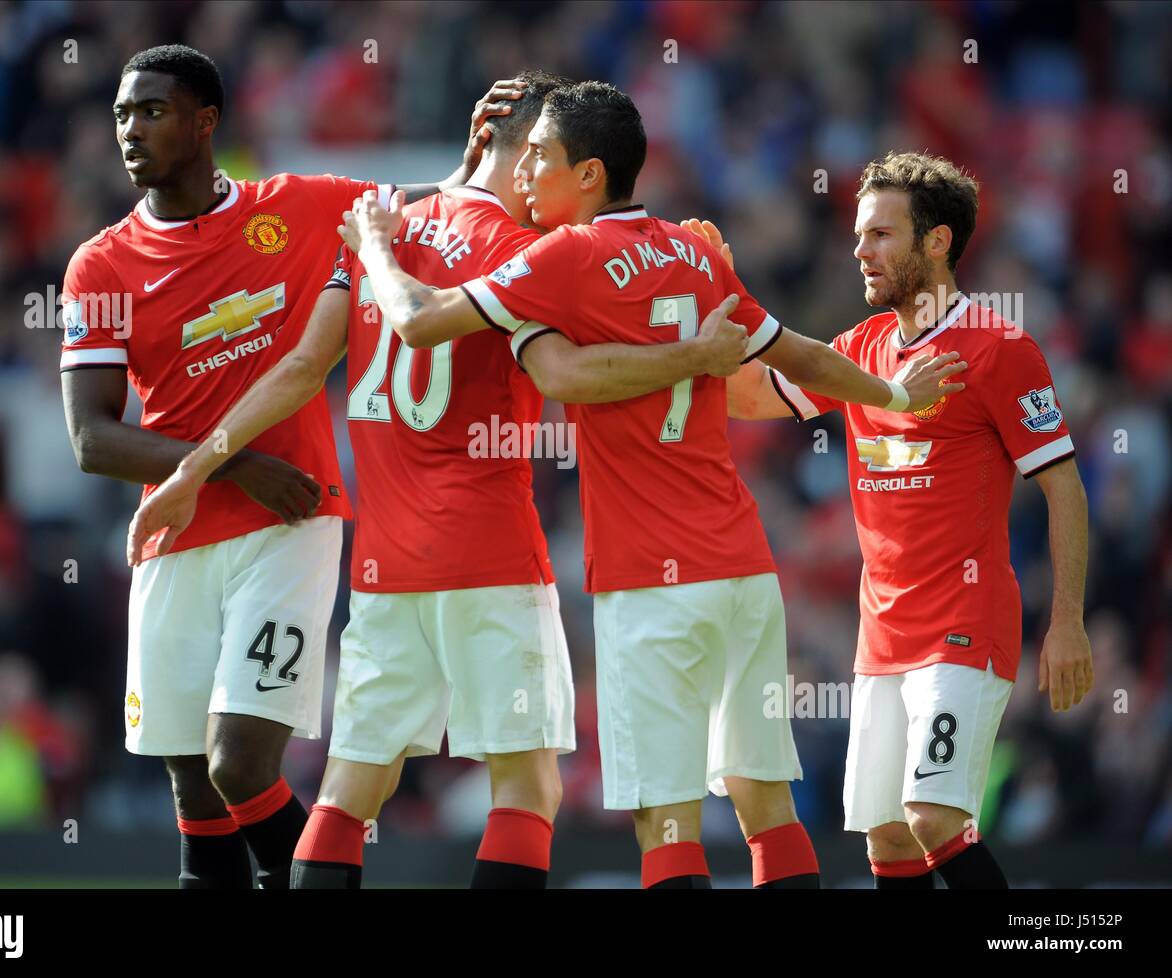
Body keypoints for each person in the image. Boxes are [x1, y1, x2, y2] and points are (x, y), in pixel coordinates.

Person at [126, 71, 754, 888]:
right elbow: (571, 371)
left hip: (386, 568)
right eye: (541, 155)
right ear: (518, 146)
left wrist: (192, 467)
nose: (543, 178)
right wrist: (702, 290)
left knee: (352, 788)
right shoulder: (531, 253)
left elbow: (299, 369)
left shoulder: (373, 237)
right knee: (524, 783)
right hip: (490, 554)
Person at [340, 82, 961, 888]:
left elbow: (425, 322)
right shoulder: (696, 251)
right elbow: (797, 355)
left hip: (649, 583)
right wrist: (897, 393)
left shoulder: (560, 259)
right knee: (765, 804)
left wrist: (376, 249)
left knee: (665, 817)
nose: (524, 171)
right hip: (743, 571)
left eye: (542, 157)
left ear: (590, 174)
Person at [60, 42, 522, 889]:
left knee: (240, 763)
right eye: (122, 114)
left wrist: (468, 163)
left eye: (152, 111)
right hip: (180, 526)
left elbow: (413, 220)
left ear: (205, 123)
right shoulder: (102, 265)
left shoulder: (297, 209)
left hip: (291, 521)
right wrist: (230, 469)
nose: (130, 131)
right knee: (191, 781)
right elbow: (92, 439)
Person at [723, 151, 1095, 888]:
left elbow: (1066, 487)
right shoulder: (859, 350)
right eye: (860, 235)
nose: (860, 250)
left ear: (937, 243)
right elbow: (752, 397)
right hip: (881, 633)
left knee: (932, 817)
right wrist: (713, 290)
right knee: (889, 840)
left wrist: (1070, 621)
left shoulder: (1000, 348)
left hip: (964, 622)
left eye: (882, 236)